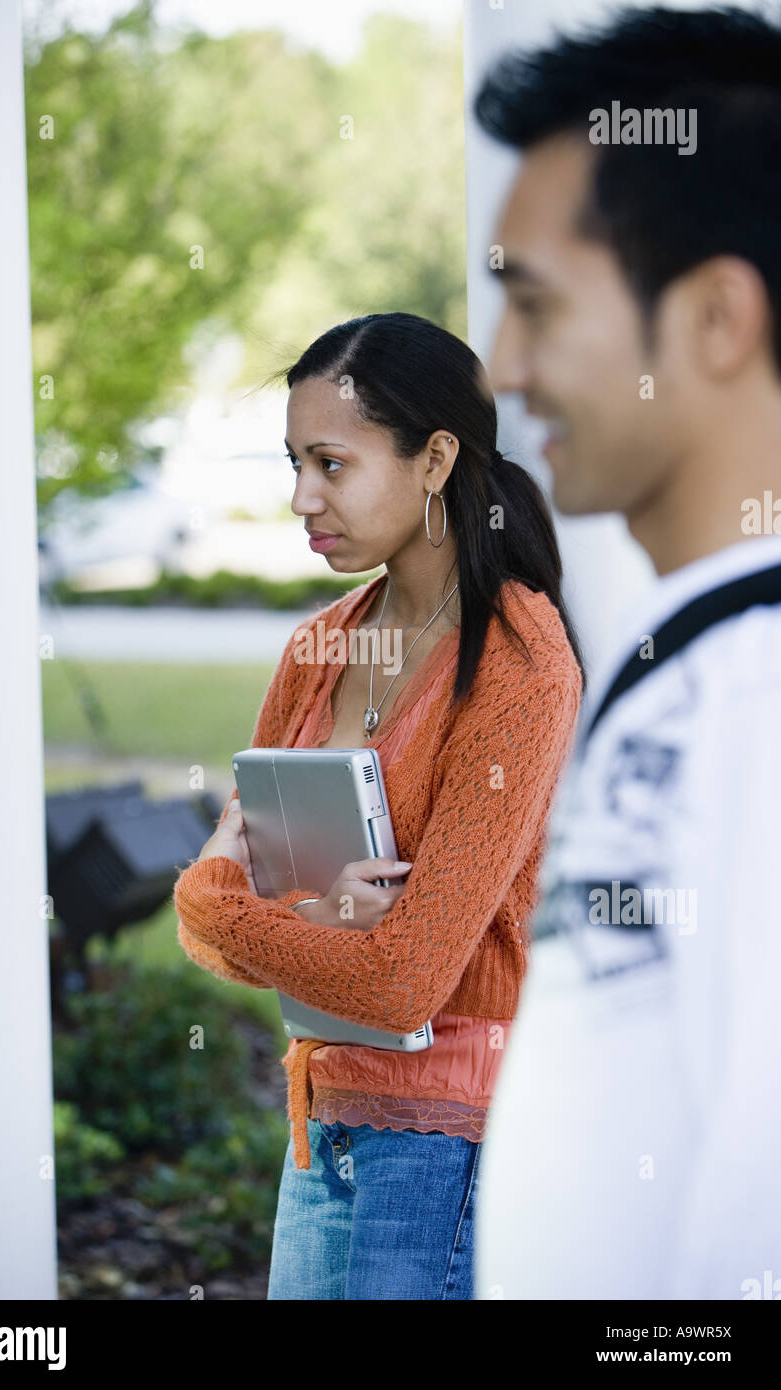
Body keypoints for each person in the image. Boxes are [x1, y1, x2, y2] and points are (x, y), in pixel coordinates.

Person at [173, 311, 584, 1299]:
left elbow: (404, 980)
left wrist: (221, 903)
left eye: (330, 462)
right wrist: (304, 920)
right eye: (292, 463)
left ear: (434, 458)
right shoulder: (316, 648)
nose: (301, 496)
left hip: (445, 1147)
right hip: (320, 1125)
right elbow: (225, 930)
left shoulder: (516, 661)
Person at [470, 5, 781, 1299]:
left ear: (712, 318)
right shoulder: (709, 659)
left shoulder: (761, 687)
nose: (497, 367)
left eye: (533, 305)